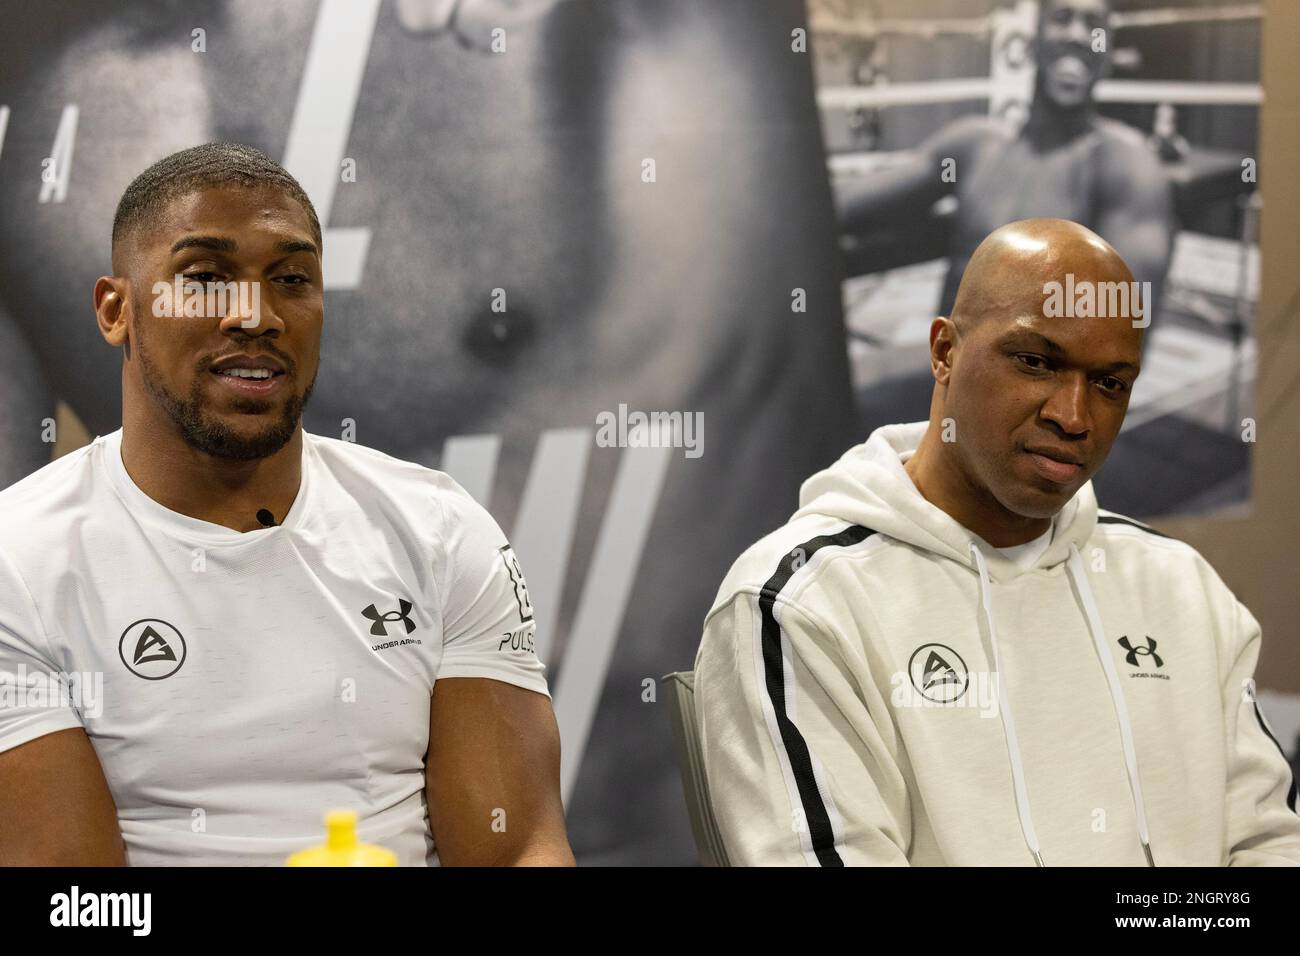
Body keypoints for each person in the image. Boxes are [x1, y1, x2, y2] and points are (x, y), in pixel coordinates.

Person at [0, 143, 574, 866]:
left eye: (291, 278)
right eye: (205, 277)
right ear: (117, 310)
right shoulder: (16, 563)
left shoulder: (440, 531)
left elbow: (519, 846)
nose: (257, 316)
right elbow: (78, 905)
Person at [694, 218, 1300, 866]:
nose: (1072, 416)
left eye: (1110, 383)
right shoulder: (801, 606)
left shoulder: (1181, 590)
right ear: (945, 352)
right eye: (1036, 362)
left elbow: (1268, 844)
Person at [836, 0, 1173, 333]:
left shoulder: (1126, 167)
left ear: (1107, 52)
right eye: (1061, 18)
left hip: (1040, 384)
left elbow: (1125, 330)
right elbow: (843, 206)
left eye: (1093, 24)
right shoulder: (974, 146)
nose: (1077, 35)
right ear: (1031, 42)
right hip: (946, 374)